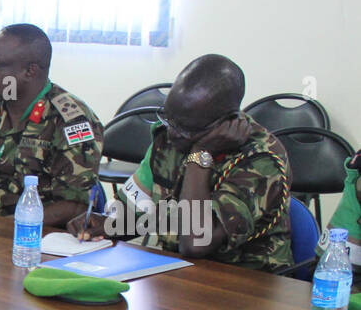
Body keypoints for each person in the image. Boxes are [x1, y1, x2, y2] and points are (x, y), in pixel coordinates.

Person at [72, 54, 292, 271]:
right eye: (168, 117)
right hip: (178, 273)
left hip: (248, 285)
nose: (172, 133)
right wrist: (106, 223)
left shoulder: (261, 161)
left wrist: (200, 156)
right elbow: (137, 212)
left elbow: (196, 241)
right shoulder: (173, 137)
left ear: (227, 122)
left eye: (185, 128)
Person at [0, 23, 103, 226]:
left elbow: (74, 204)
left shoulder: (70, 121)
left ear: (30, 71)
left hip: (31, 237)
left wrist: (3, 229)